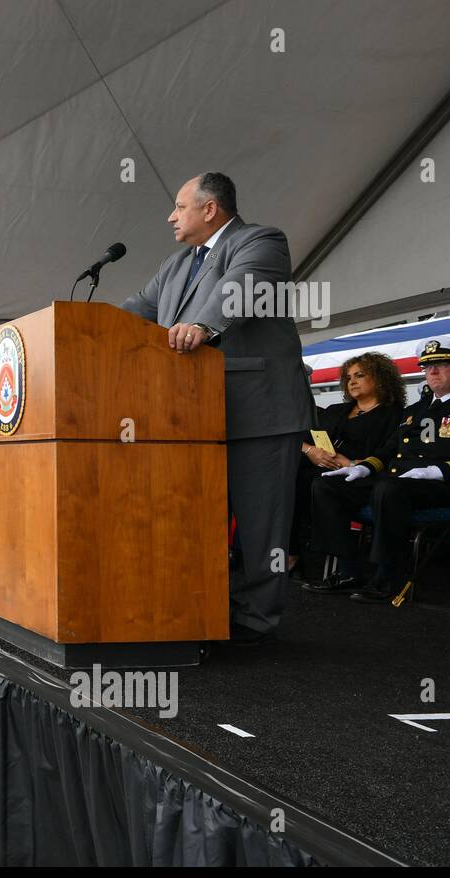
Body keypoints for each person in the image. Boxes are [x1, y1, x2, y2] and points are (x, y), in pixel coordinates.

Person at [120, 171, 314, 644]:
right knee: (195, 517)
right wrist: (72, 325)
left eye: (179, 206)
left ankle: (255, 621)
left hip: (258, 412)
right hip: (194, 415)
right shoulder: (175, 265)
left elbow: (241, 288)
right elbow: (135, 309)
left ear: (209, 209)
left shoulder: (261, 241)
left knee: (259, 523)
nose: (171, 216)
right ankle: (204, 610)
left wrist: (201, 326)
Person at [313, 335, 450, 602]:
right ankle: (347, 571)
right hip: (396, 482)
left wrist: (438, 471)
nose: (432, 372)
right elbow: (388, 451)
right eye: (427, 367)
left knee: (388, 488)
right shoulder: (416, 410)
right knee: (327, 485)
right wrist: (364, 468)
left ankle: (385, 577)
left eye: (441, 364)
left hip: (447, 487)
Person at [291, 353, 405, 578]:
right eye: (349, 377)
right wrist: (311, 450)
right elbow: (298, 437)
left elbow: (392, 457)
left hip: (365, 478)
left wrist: (351, 463)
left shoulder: (395, 416)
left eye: (360, 375)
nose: (351, 381)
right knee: (290, 477)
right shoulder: (336, 410)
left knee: (319, 484)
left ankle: (346, 568)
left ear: (381, 378)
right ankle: (291, 555)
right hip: (323, 471)